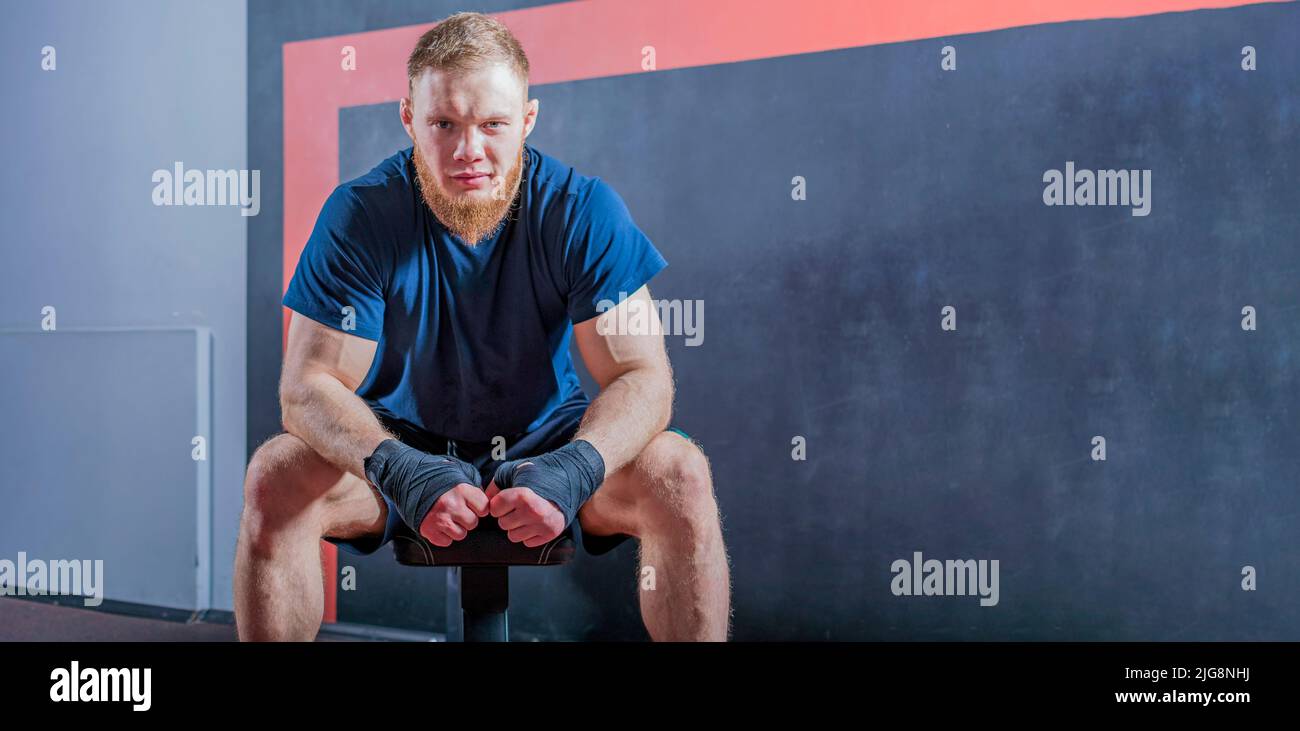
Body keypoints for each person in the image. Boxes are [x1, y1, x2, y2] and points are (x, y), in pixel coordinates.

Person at [234, 12, 730, 641]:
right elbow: (306, 387)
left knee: (680, 474)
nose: (470, 151)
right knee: (276, 475)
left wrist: (576, 467)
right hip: (399, 447)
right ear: (410, 119)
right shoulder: (359, 216)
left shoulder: (583, 211)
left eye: (493, 125)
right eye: (444, 124)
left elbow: (643, 375)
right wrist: (399, 468)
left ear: (526, 120)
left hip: (550, 446)